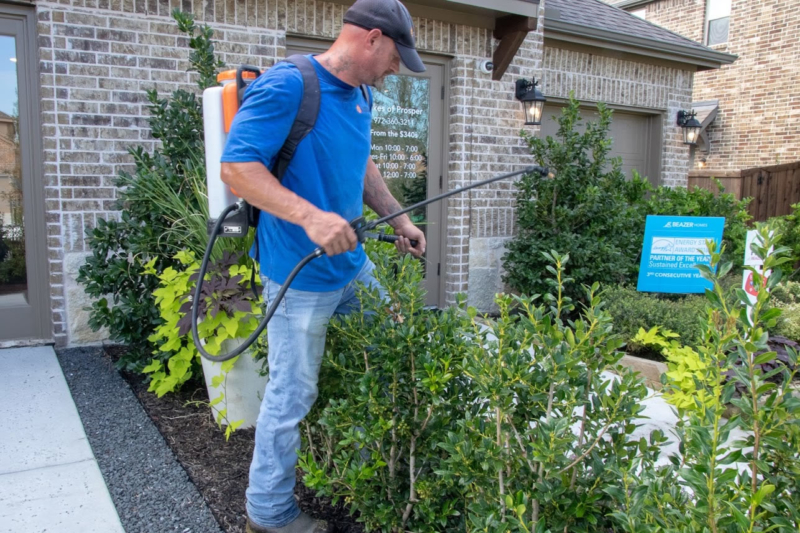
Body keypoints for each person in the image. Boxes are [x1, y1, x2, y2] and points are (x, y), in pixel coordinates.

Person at [219, 0, 427, 531]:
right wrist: (311, 217)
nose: (395, 69)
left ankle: (363, 478)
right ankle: (266, 515)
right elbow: (237, 169)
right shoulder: (289, 85)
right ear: (372, 39)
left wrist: (398, 219)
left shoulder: (359, 94)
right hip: (299, 276)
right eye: (395, 57)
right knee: (292, 397)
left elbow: (361, 163)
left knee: (393, 354)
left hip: (352, 269)